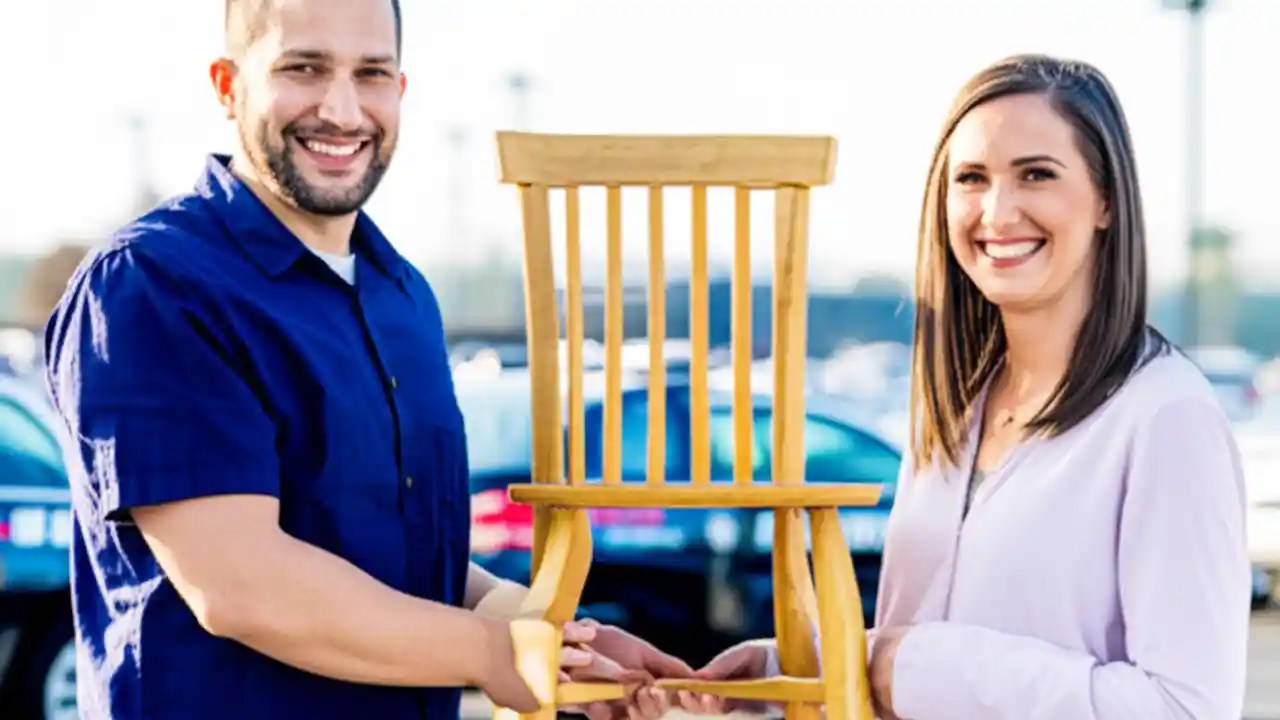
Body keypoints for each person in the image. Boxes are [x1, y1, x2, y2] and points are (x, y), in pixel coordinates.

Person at [42, 1, 689, 718]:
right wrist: (494, 654)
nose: (342, 110)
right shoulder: (153, 284)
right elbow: (241, 584)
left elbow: (403, 560)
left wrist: (555, 636)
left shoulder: (401, 293)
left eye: (371, 74)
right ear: (228, 86)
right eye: (304, 68)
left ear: (400, 92)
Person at [658, 53, 1252, 719]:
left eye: (1036, 175)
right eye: (971, 178)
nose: (997, 212)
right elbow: (916, 647)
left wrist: (919, 668)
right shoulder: (952, 409)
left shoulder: (1167, 417)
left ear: (1107, 200)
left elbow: (1186, 708)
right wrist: (776, 672)